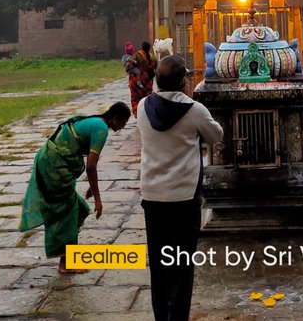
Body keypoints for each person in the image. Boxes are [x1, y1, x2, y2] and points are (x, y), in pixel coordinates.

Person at [139, 55, 223, 321]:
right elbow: (216, 135)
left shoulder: (142, 107)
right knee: (182, 264)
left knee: (159, 264)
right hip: (184, 198)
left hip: (152, 196)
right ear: (184, 82)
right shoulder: (195, 110)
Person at [20, 101, 131, 274]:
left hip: (49, 162)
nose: (122, 127)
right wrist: (98, 200)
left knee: (77, 210)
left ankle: (67, 259)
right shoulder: (101, 129)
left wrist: (91, 186)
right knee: (68, 213)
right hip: (54, 168)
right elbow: (91, 167)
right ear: (116, 119)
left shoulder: (95, 122)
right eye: (123, 123)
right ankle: (66, 264)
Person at [128, 40, 156, 116]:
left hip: (137, 81)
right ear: (149, 48)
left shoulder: (137, 55)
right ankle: (148, 113)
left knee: (136, 98)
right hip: (148, 80)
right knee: (147, 98)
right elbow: (155, 67)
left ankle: (138, 114)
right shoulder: (152, 57)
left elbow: (128, 66)